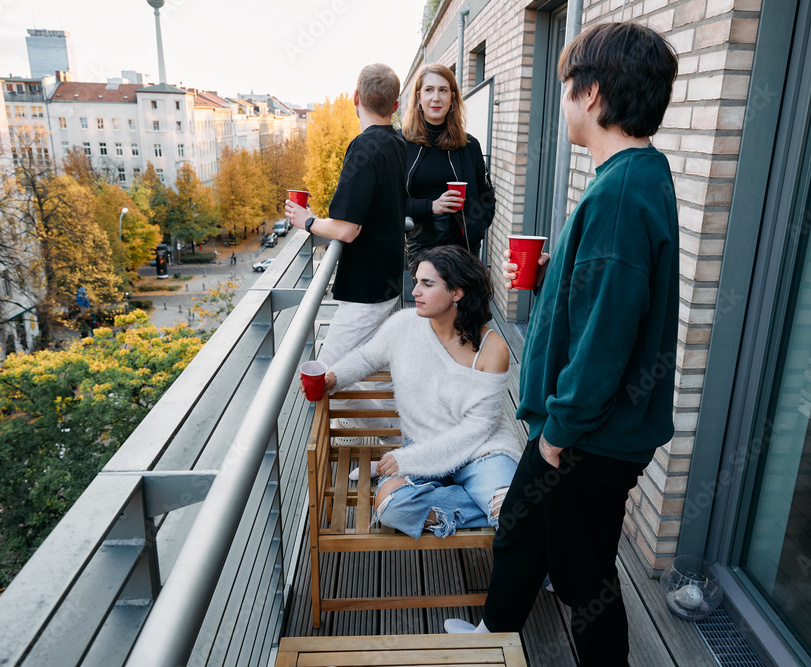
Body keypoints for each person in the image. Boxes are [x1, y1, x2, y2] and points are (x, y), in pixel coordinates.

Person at [444, 23, 680, 666]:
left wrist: (558, 436)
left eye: (567, 90)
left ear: (594, 95)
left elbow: (607, 339)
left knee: (586, 579)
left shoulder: (622, 192)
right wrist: (558, 276)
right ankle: (495, 633)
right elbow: (612, 294)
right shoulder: (637, 176)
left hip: (585, 436)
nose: (565, 103)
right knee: (522, 527)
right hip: (582, 428)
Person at [314, 246, 522, 538]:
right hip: (424, 445)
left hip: (482, 451)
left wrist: (407, 460)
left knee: (510, 511)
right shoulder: (404, 325)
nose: (415, 292)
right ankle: (488, 504)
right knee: (391, 504)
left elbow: (477, 429)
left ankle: (542, 560)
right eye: (416, 282)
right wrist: (332, 378)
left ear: (457, 293)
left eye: (427, 284)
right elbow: (366, 358)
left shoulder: (492, 349)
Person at [286, 63, 407, 432]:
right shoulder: (399, 143)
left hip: (366, 287)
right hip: (388, 279)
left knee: (330, 375)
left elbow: (347, 229)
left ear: (356, 99)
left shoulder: (364, 148)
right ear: (396, 104)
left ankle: (392, 449)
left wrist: (306, 220)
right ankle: (406, 441)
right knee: (379, 368)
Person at [401, 64, 494, 267]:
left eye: (443, 90)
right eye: (429, 90)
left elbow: (487, 196)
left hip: (464, 248)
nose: (436, 97)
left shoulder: (469, 145)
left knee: (463, 299)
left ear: (452, 98)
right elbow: (392, 201)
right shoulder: (402, 144)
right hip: (421, 248)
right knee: (431, 298)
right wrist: (431, 206)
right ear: (418, 98)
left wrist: (475, 227)